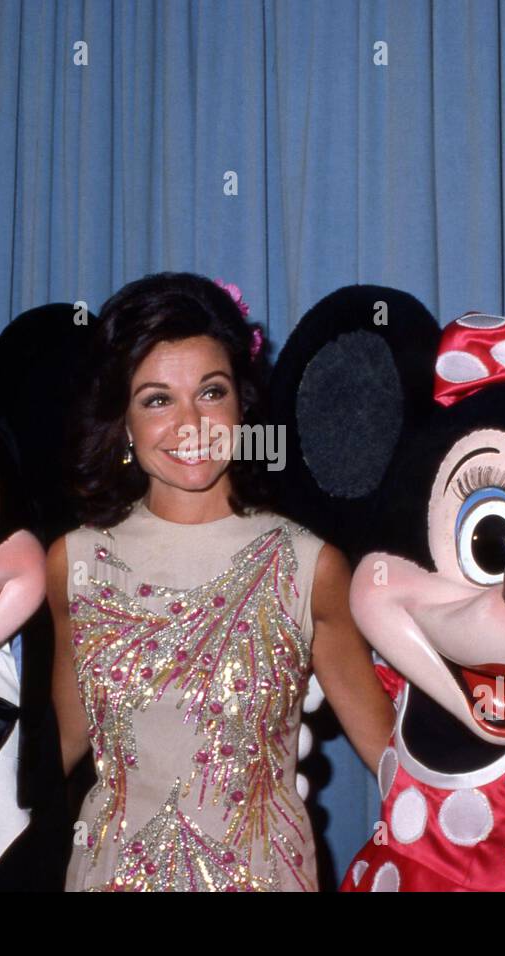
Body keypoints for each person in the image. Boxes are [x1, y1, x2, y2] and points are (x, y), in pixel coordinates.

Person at [47, 272, 394, 891]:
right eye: (157, 399)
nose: (190, 422)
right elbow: (51, 756)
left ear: (242, 404)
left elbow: (394, 761)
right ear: (123, 421)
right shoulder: (74, 562)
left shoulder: (308, 565)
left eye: (211, 392)